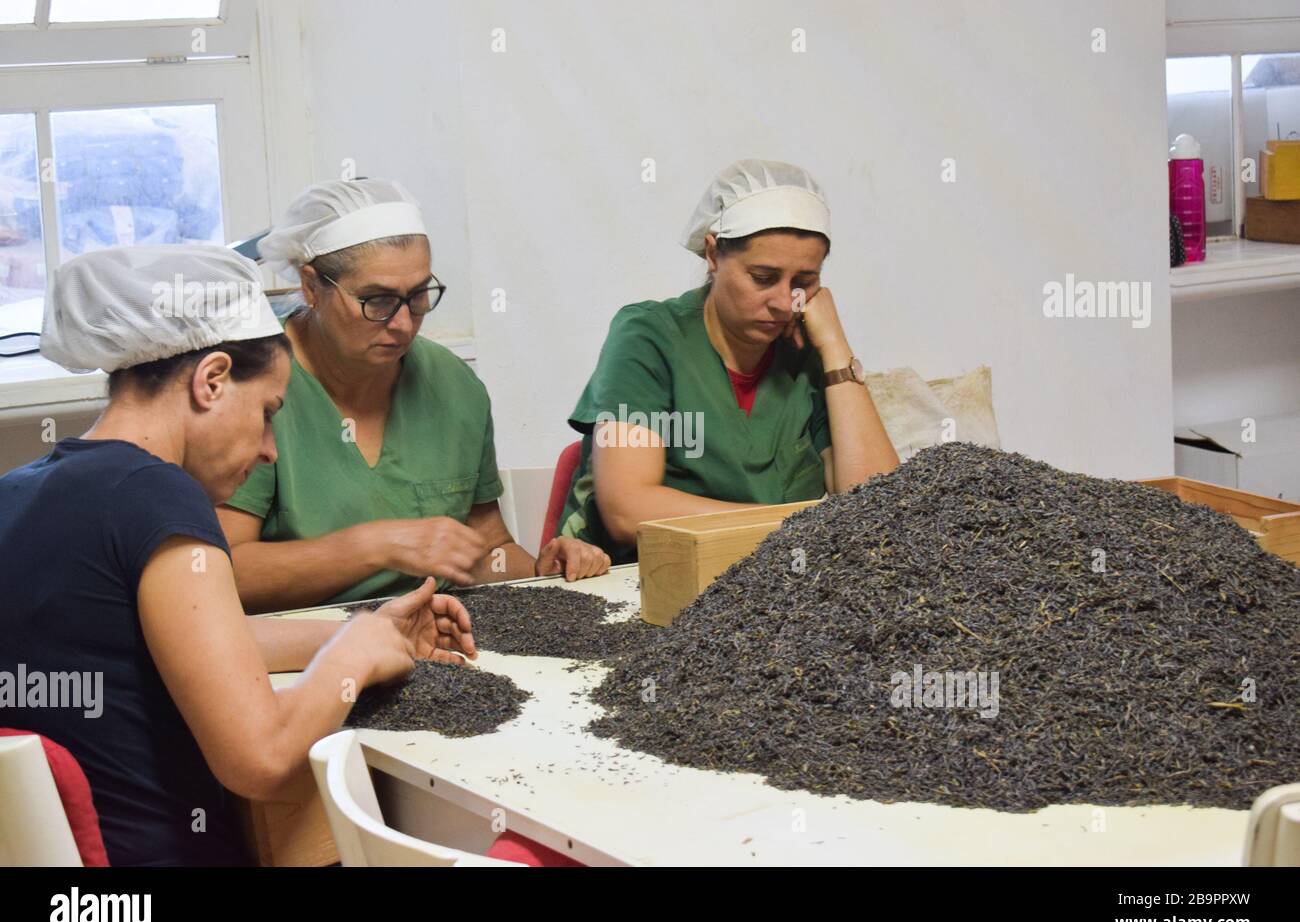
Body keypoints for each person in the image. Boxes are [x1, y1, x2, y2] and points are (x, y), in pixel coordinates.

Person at [0, 245, 475, 866]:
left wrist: (367, 630)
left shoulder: (20, 490)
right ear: (212, 380)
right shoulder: (155, 492)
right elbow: (262, 759)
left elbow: (184, 646)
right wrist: (352, 657)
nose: (270, 448)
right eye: (267, 413)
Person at [219, 179, 610, 613]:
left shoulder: (453, 387)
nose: (404, 324)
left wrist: (542, 570)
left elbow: (484, 549)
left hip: (429, 631)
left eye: (419, 295)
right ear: (311, 286)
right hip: (305, 643)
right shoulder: (252, 383)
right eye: (377, 300)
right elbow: (222, 575)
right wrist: (374, 547)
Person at [558, 160, 900, 562]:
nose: (783, 302)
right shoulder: (648, 337)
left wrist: (836, 347)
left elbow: (881, 512)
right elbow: (628, 510)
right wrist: (806, 527)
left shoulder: (808, 357)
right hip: (642, 579)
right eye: (763, 277)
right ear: (713, 254)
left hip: (773, 577)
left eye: (804, 282)